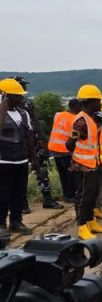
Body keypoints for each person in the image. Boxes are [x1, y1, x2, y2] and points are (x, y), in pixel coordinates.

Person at [67, 84, 102, 240]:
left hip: (92, 164)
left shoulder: (91, 119)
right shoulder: (81, 121)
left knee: (91, 196)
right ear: (88, 102)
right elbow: (69, 144)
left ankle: (91, 221)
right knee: (83, 197)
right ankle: (82, 226)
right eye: (97, 101)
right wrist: (77, 157)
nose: (99, 104)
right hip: (82, 166)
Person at [16, 76, 63, 211]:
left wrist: (42, 139)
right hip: (23, 143)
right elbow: (35, 122)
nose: (25, 88)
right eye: (22, 85)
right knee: (24, 173)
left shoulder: (24, 103)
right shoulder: (15, 103)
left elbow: (35, 121)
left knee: (38, 170)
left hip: (30, 142)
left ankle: (44, 200)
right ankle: (24, 203)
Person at [0, 78, 37, 238]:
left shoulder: (23, 113)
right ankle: (1, 224)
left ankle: (16, 221)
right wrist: (3, 107)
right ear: (5, 96)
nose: (20, 99)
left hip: (21, 161)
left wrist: (33, 158)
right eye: (16, 96)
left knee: (19, 193)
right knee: (3, 194)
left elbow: (29, 137)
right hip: (3, 161)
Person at [48, 98, 81, 203]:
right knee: (71, 173)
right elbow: (75, 136)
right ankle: (70, 195)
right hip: (66, 150)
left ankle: (66, 194)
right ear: (76, 107)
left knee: (63, 174)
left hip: (54, 148)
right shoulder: (76, 119)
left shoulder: (58, 115)